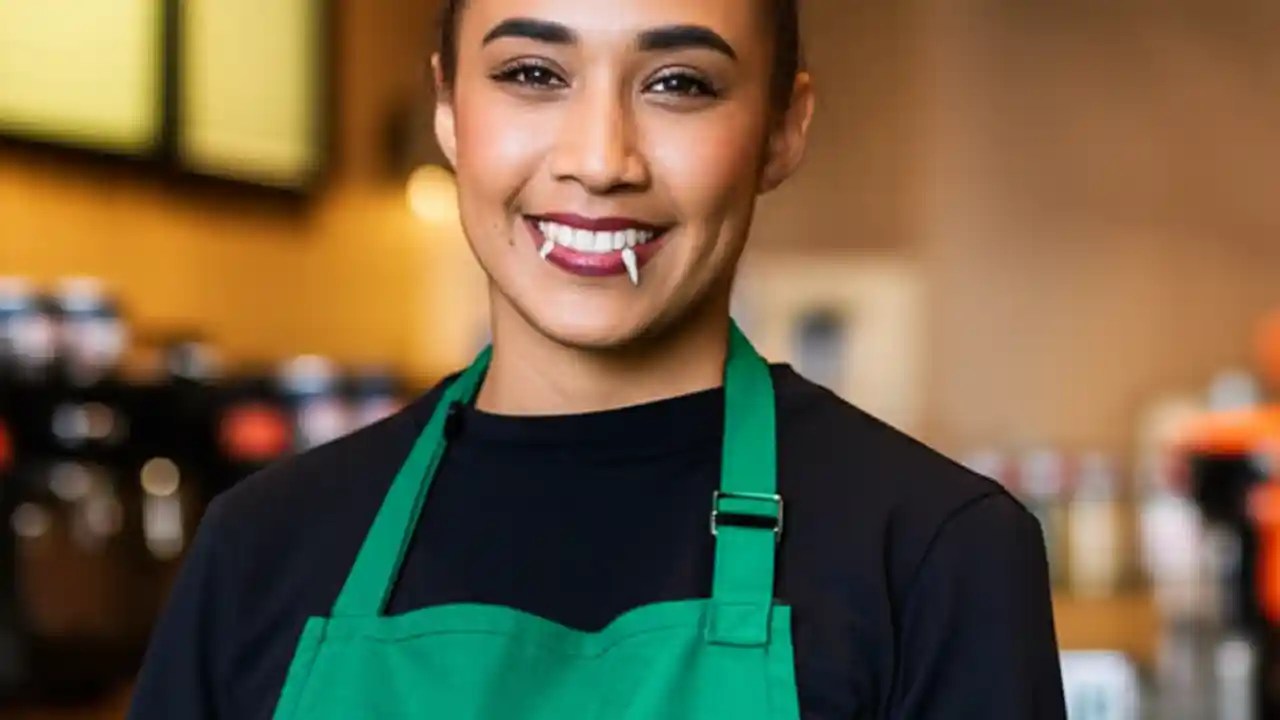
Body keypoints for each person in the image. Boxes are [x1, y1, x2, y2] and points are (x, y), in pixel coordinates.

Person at [128, 0, 1067, 717]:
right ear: (449, 109)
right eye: (534, 73)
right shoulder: (260, 549)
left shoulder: (941, 554)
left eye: (678, 84)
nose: (601, 158)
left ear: (784, 127)